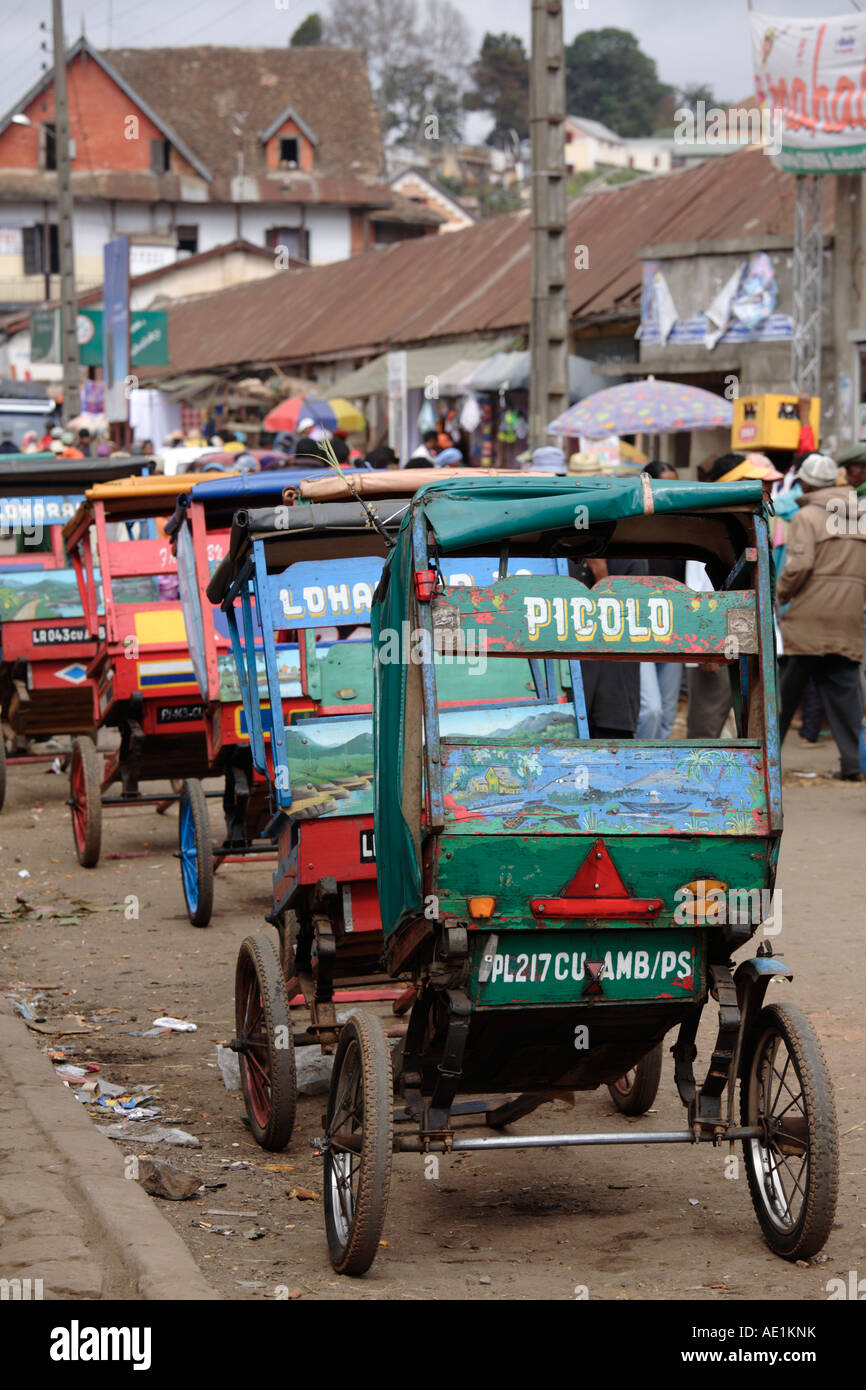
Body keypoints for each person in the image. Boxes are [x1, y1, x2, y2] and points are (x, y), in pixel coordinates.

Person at [777, 451, 866, 780]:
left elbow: (799, 565)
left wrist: (781, 593)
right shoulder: (859, 515)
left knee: (785, 695)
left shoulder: (807, 516)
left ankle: (766, 763)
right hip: (848, 618)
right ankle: (854, 765)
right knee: (845, 695)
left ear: (805, 483)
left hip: (808, 619)